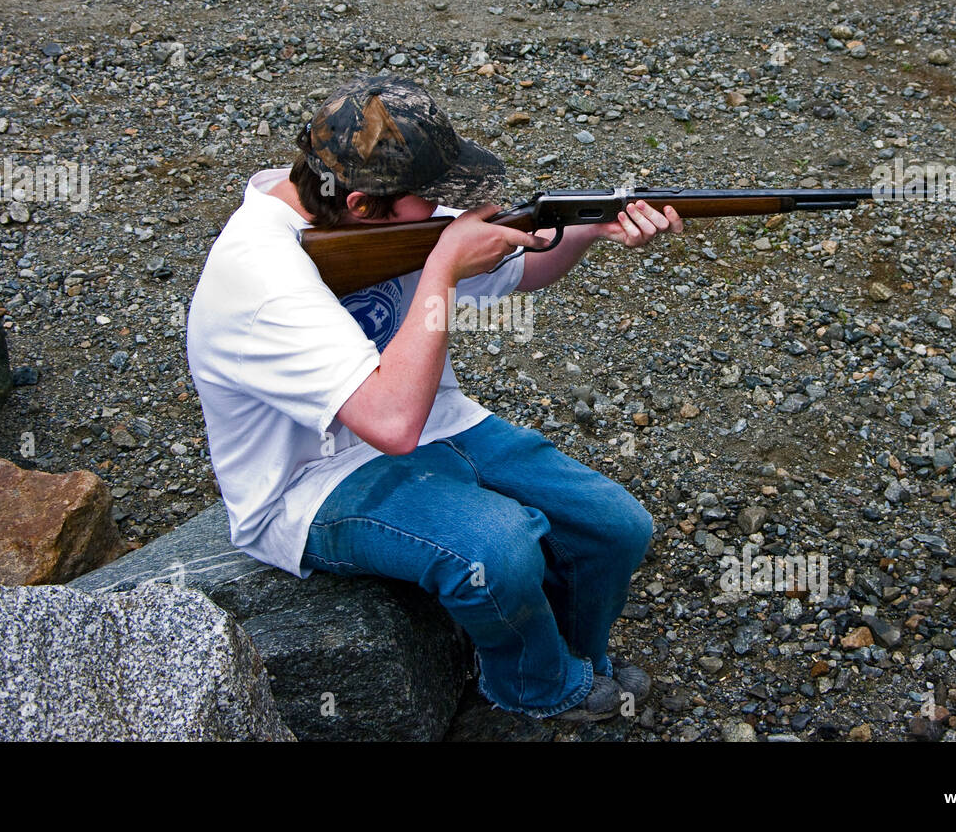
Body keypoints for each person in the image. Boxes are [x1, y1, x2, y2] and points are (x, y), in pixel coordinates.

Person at [186, 74, 684, 722]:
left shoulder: (366, 209)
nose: (449, 210)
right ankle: (536, 686)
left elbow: (522, 267)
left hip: (436, 423)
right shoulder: (259, 274)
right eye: (436, 198)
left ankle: (573, 655)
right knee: (499, 548)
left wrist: (589, 228)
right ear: (364, 205)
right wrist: (444, 267)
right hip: (310, 483)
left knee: (616, 527)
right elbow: (389, 422)